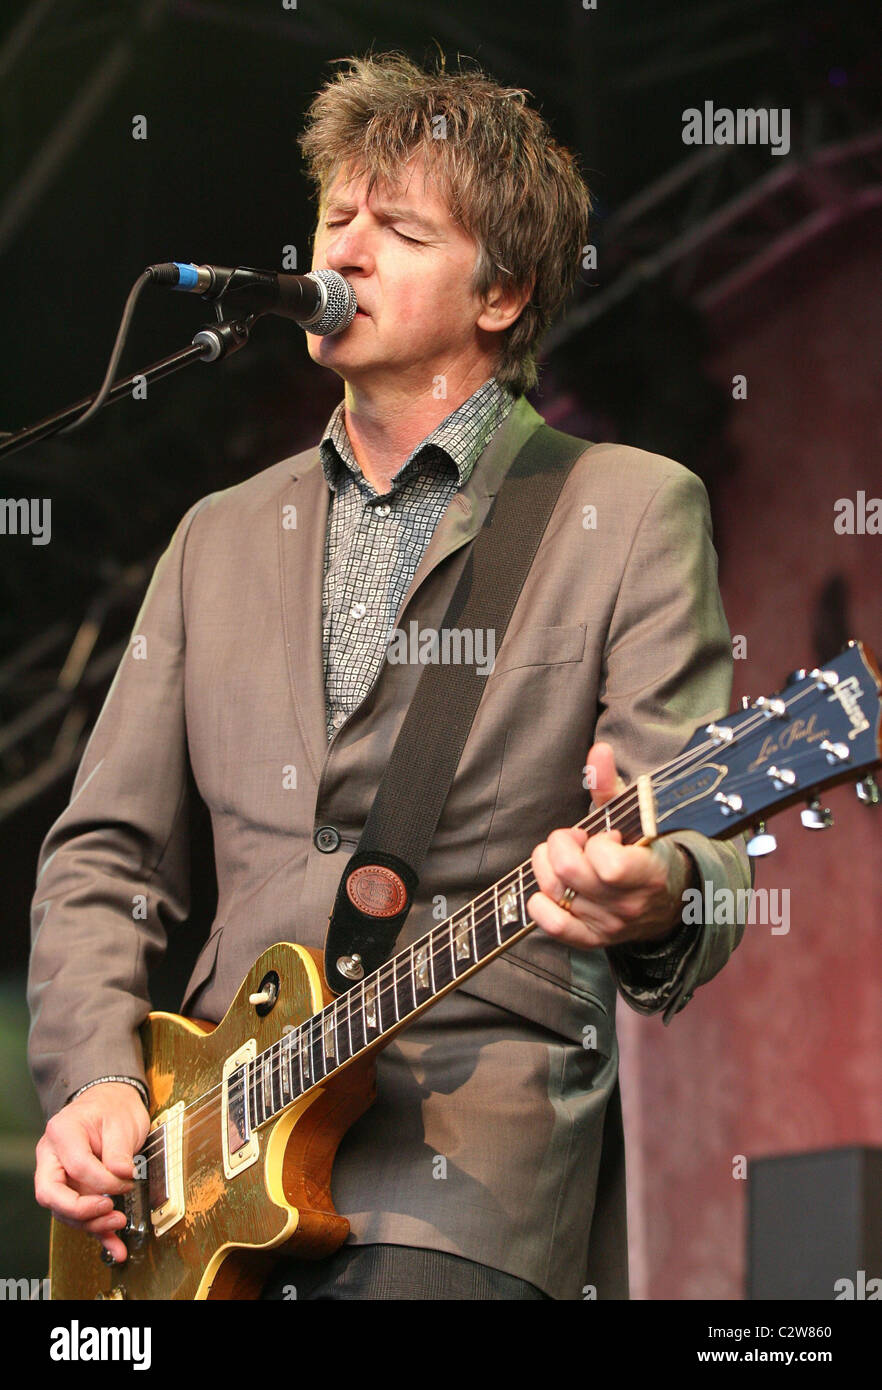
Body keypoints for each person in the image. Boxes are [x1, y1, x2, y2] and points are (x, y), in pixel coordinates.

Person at [28, 52, 750, 1301]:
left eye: (399, 229)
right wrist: (98, 1077)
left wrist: (662, 890)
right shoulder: (217, 537)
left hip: (463, 1180)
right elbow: (106, 856)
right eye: (335, 219)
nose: (345, 252)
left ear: (505, 291)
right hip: (194, 1181)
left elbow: (700, 833)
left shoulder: (627, 508)